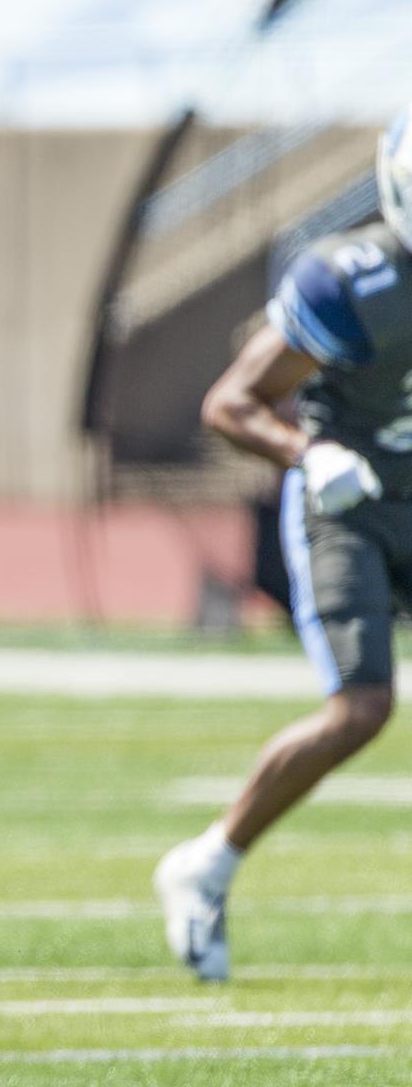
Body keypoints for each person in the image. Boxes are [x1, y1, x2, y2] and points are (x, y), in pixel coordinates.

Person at [156, 104, 412, 983]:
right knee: (362, 709)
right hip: (350, 501)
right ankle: (211, 860)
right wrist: (311, 450)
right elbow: (229, 402)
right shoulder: (358, 278)